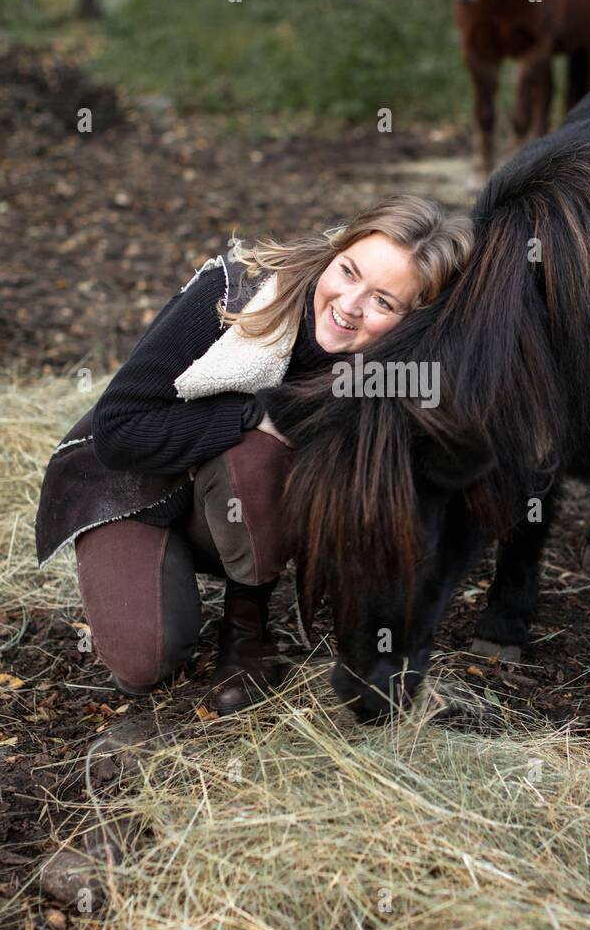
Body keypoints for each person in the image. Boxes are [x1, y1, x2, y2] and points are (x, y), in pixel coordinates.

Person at [33, 195, 474, 714]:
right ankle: (159, 574)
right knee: (144, 663)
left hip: (230, 502)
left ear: (414, 320)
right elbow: (118, 431)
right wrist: (251, 413)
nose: (349, 304)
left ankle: (246, 629)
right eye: (348, 271)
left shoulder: (396, 368)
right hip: (134, 489)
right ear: (335, 251)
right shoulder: (237, 287)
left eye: (384, 302)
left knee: (259, 453)